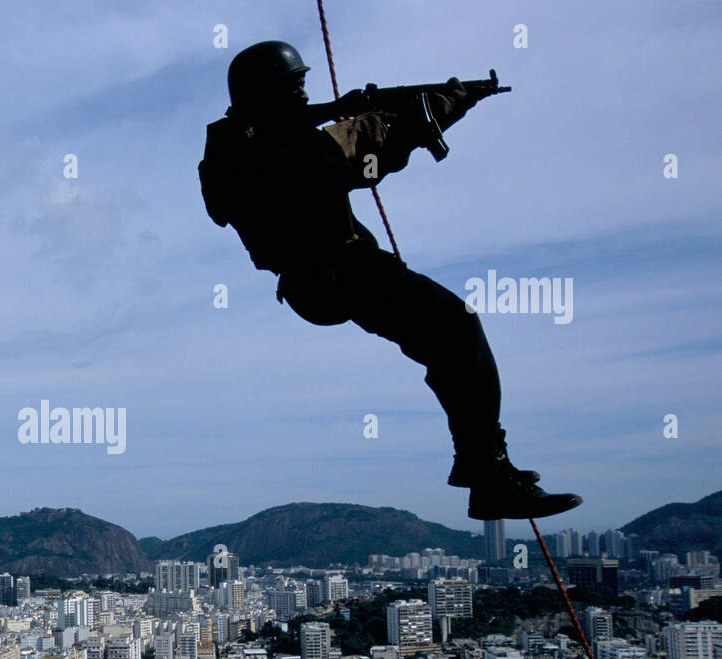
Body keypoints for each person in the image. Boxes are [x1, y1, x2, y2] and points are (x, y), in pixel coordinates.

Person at [199, 41, 581, 521]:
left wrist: (383, 118)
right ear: (267, 92)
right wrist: (431, 110)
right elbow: (369, 150)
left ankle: (485, 471)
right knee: (456, 326)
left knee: (448, 337)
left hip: (321, 281)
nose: (303, 96)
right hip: (341, 271)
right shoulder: (274, 151)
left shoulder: (237, 148)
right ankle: (489, 476)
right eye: (294, 86)